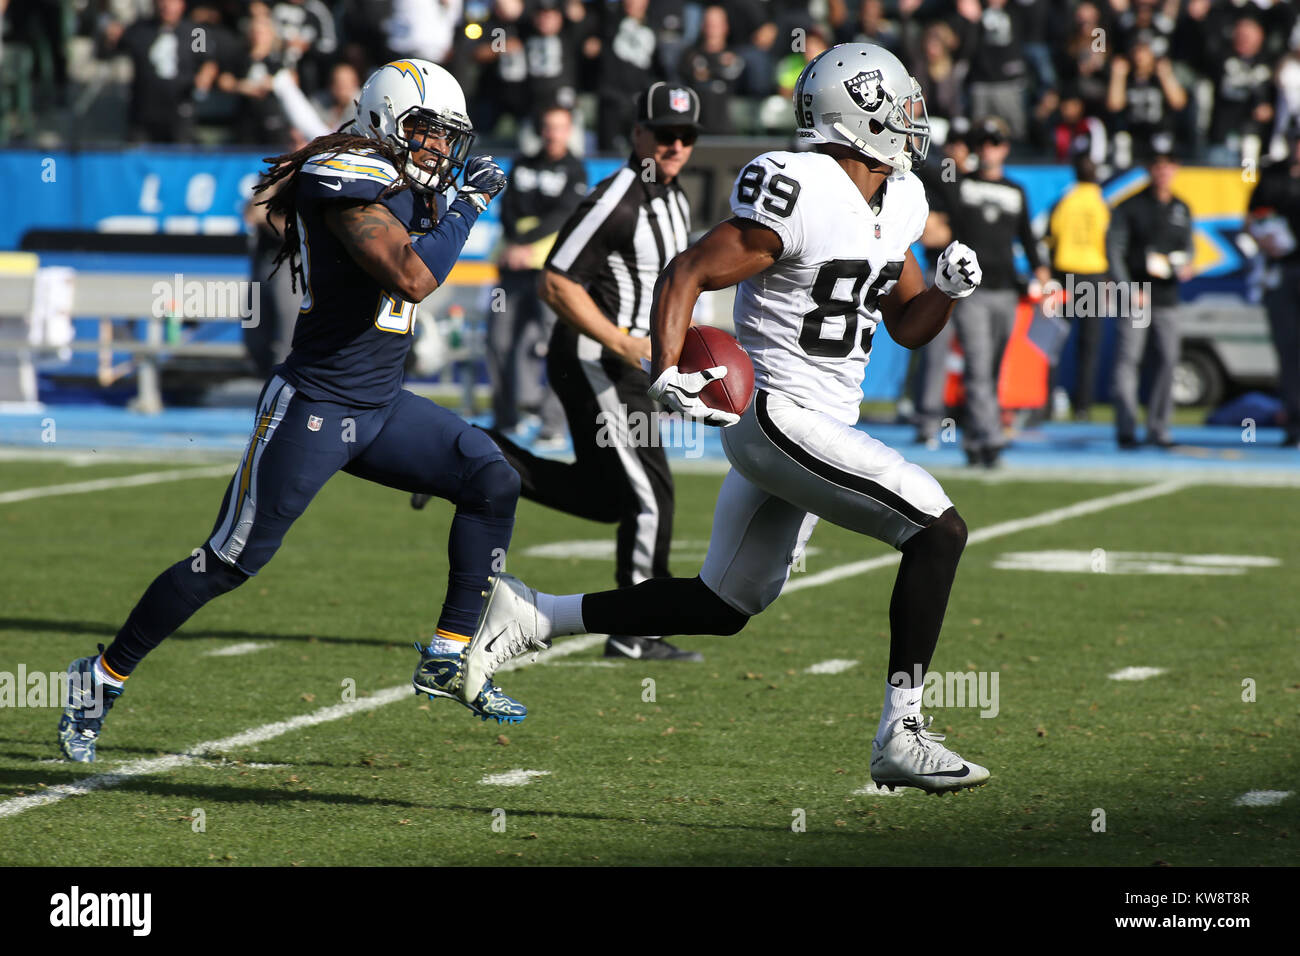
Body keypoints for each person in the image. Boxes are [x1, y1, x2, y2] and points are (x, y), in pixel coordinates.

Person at [457, 44, 991, 795]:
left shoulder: (899, 197)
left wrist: (943, 291)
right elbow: (689, 272)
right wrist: (665, 367)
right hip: (774, 414)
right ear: (857, 112)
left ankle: (536, 615)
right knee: (938, 529)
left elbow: (906, 324)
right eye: (897, 103)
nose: (911, 117)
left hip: (818, 425)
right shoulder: (802, 186)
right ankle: (901, 731)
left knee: (726, 602)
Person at [58, 59, 520, 763]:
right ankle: (102, 677)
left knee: (492, 478)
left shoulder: (396, 179)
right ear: (383, 120)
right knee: (228, 561)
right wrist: (469, 204)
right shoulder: (340, 178)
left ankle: (447, 654)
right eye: (425, 131)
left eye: (445, 136)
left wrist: (445, 197)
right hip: (316, 402)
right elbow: (413, 277)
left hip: (382, 403)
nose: (437, 148)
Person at [481, 83, 703, 662]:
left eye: (686, 136)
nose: (676, 146)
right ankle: (634, 631)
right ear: (638, 135)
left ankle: (487, 456)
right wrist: (622, 341)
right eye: (665, 134)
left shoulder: (676, 198)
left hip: (634, 367)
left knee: (614, 498)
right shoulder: (617, 197)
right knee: (649, 498)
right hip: (593, 361)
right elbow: (556, 280)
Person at [949, 115, 1049, 467]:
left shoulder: (1015, 190)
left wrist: (1042, 273)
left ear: (1004, 148)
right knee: (977, 366)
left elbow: (1028, 238)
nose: (988, 150)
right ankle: (990, 438)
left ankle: (975, 440)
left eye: (994, 143)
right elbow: (939, 196)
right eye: (983, 144)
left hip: (1006, 289)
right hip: (971, 291)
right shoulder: (962, 185)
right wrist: (954, 167)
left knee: (992, 369)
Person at [482, 104, 587, 439]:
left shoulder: (575, 170)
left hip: (550, 271)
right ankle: (505, 419)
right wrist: (515, 242)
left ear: (568, 131)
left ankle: (552, 423)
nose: (552, 132)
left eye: (559, 126)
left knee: (552, 345)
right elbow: (507, 206)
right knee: (498, 341)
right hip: (511, 270)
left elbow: (563, 214)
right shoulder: (522, 163)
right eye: (548, 125)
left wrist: (524, 243)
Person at [1107, 144, 1194, 449]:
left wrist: (1187, 266)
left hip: (1168, 297)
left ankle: (1159, 428)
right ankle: (1127, 428)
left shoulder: (1181, 208)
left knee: (1169, 360)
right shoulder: (1130, 206)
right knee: (1129, 359)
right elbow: (1114, 252)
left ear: (1176, 168)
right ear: (1148, 169)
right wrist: (1129, 289)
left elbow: (1189, 250)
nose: (1163, 171)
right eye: (1157, 165)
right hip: (1137, 297)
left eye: (1168, 164)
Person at [1044, 149, 1110, 420]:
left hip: (1065, 273)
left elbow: (1051, 238)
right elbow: (1107, 242)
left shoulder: (1066, 202)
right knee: (1089, 345)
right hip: (1093, 275)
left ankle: (1046, 402)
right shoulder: (1101, 203)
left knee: (1054, 341)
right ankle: (1082, 405)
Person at [1246, 124, 1300, 449]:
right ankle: (1295, 422)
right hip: (1282, 269)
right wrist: (1265, 239)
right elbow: (1251, 219)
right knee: (1289, 349)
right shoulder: (1273, 176)